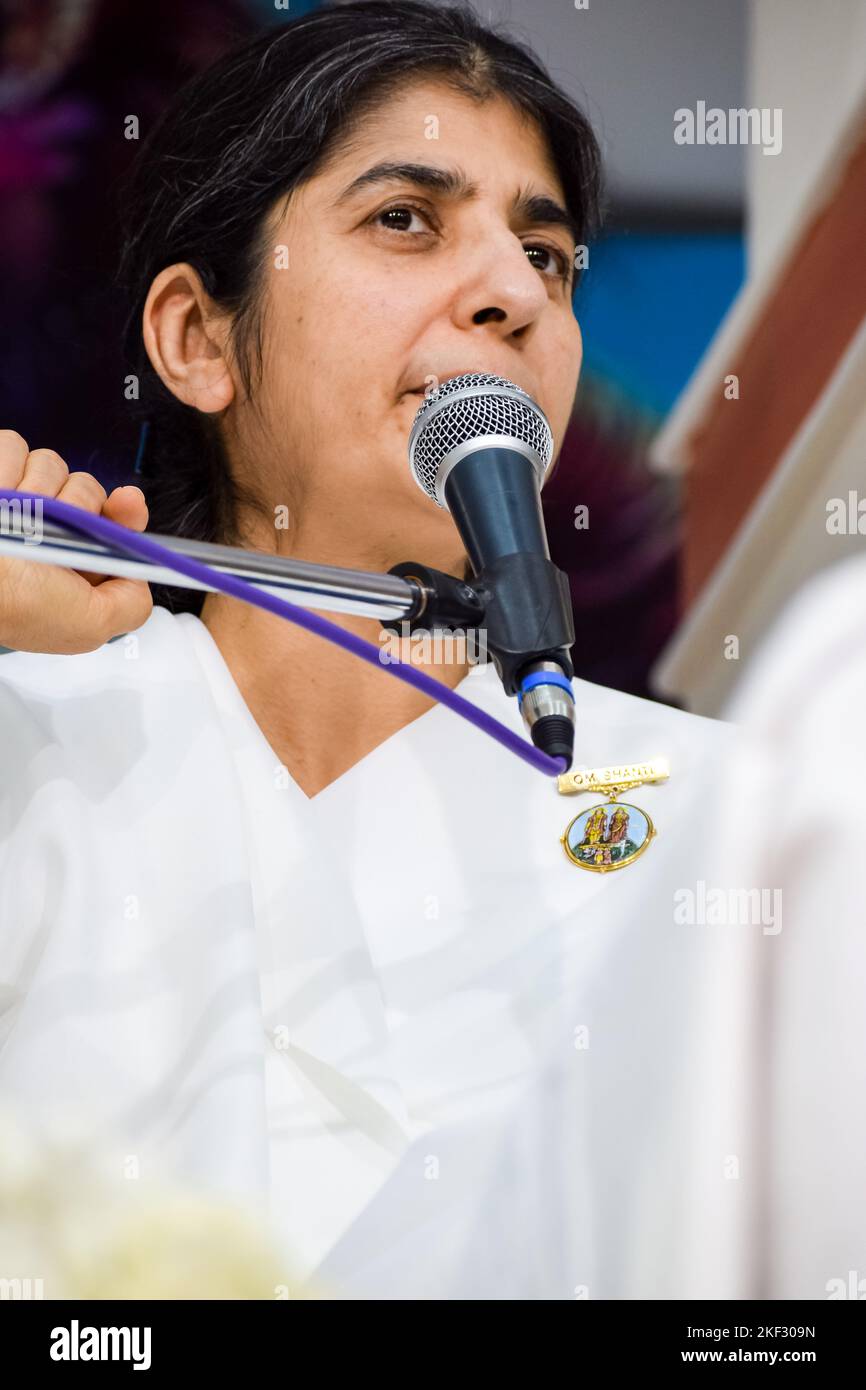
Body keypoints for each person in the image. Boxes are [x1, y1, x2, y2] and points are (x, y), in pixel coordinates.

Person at [0, 2, 740, 1292]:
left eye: (548, 255)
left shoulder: (728, 816)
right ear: (196, 339)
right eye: (406, 218)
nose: (513, 290)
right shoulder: (31, 730)